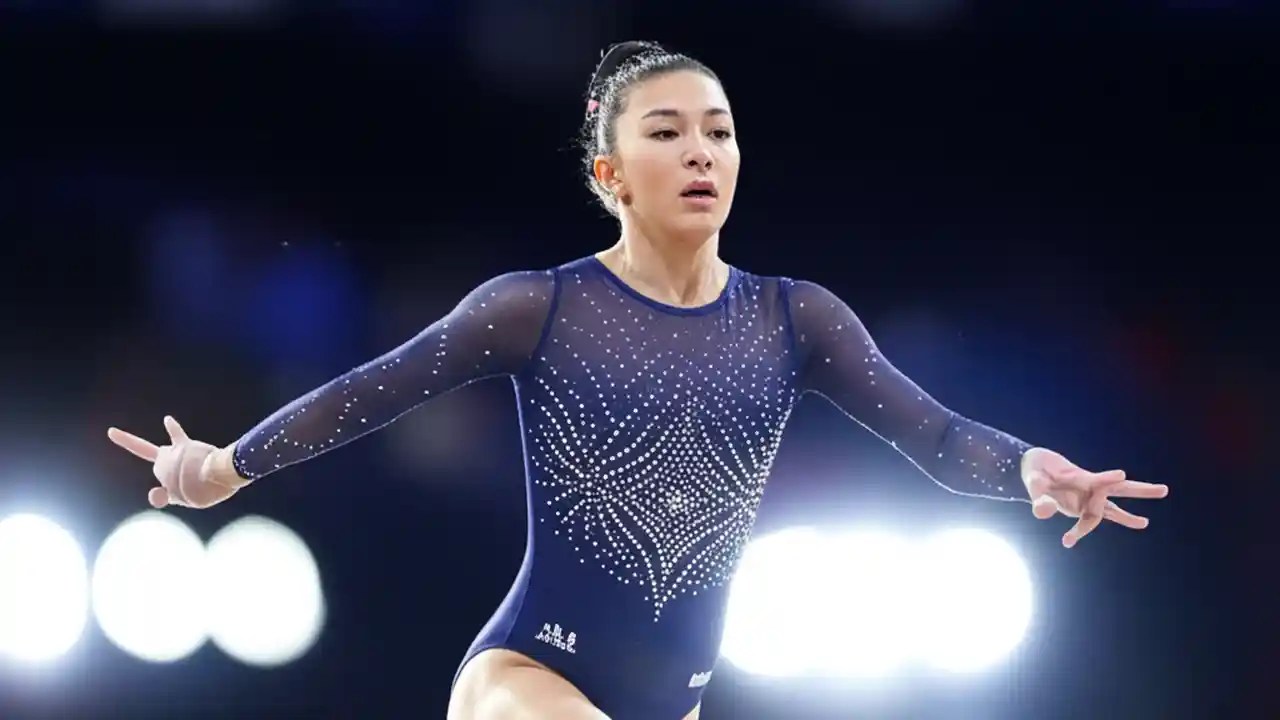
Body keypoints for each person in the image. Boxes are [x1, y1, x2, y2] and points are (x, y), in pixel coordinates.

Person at [106, 40, 1168, 720]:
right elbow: (370, 392)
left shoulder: (794, 319)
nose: (700, 151)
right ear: (609, 175)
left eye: (718, 131)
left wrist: (1028, 466)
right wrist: (223, 466)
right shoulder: (536, 307)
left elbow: (929, 434)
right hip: (527, 682)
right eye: (666, 133)